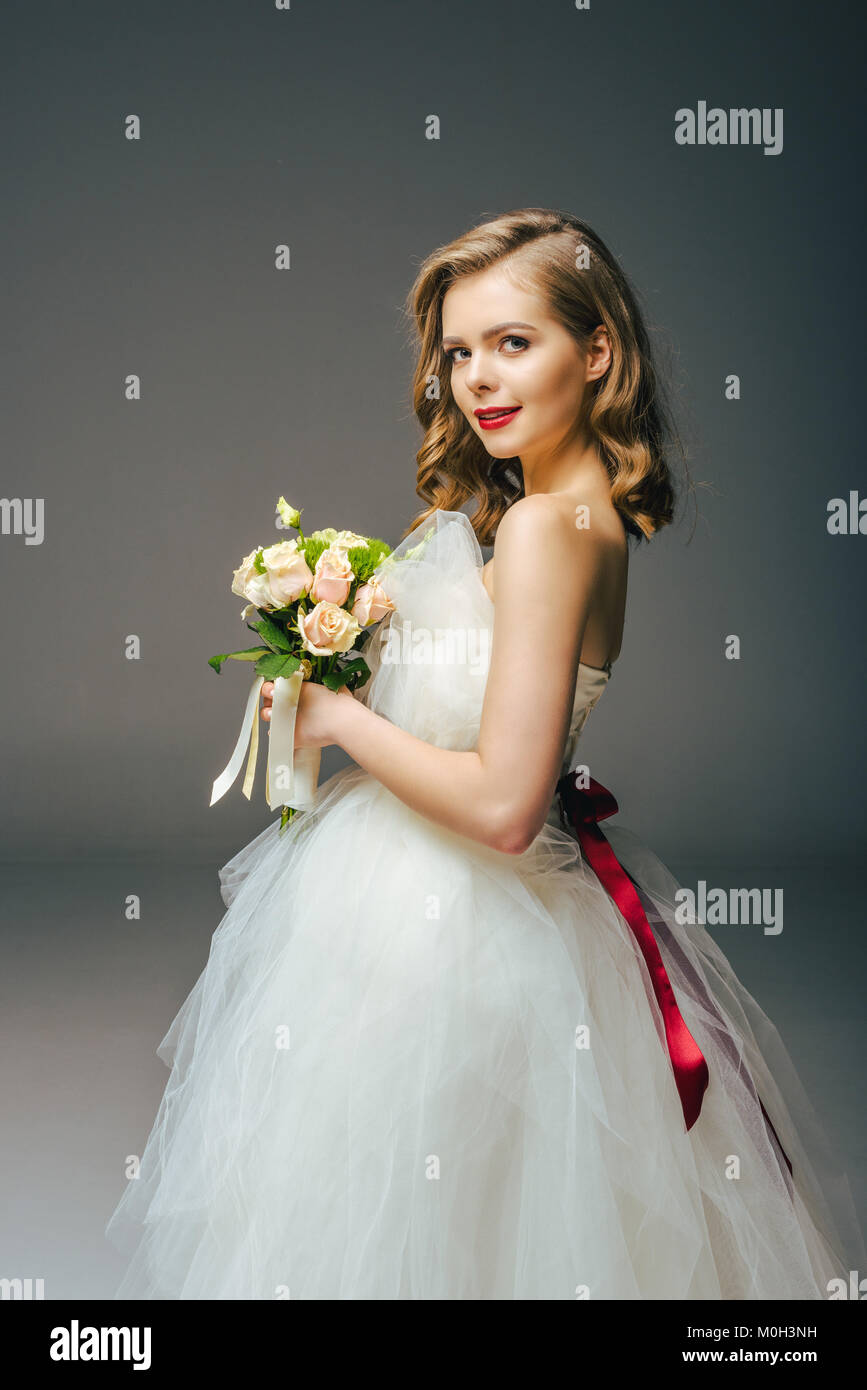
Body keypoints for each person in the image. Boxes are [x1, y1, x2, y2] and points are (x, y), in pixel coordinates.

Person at [106, 208, 863, 1299]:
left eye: (515, 342)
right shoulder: (565, 509)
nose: (476, 379)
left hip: (463, 925)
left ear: (596, 350)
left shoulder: (549, 530)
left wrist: (337, 723)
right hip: (469, 910)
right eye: (459, 351)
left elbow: (509, 803)